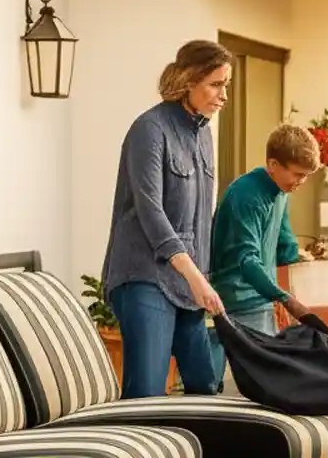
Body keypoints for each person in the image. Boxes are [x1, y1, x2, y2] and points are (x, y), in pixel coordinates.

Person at [101, 39, 232, 399]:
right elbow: (150, 213)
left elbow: (202, 216)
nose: (223, 95)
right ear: (189, 80)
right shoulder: (149, 129)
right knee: (146, 392)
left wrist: (203, 278)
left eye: (226, 85)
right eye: (215, 85)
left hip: (188, 284)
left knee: (204, 385)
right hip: (144, 277)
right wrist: (195, 277)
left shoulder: (204, 134)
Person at [209, 124, 319, 386]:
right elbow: (246, 260)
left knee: (269, 382)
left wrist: (303, 258)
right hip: (235, 302)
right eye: (297, 174)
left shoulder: (280, 192)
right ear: (273, 164)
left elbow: (284, 244)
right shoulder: (245, 195)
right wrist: (284, 298)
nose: (301, 182)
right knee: (247, 385)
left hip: (261, 301)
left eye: (306, 177)